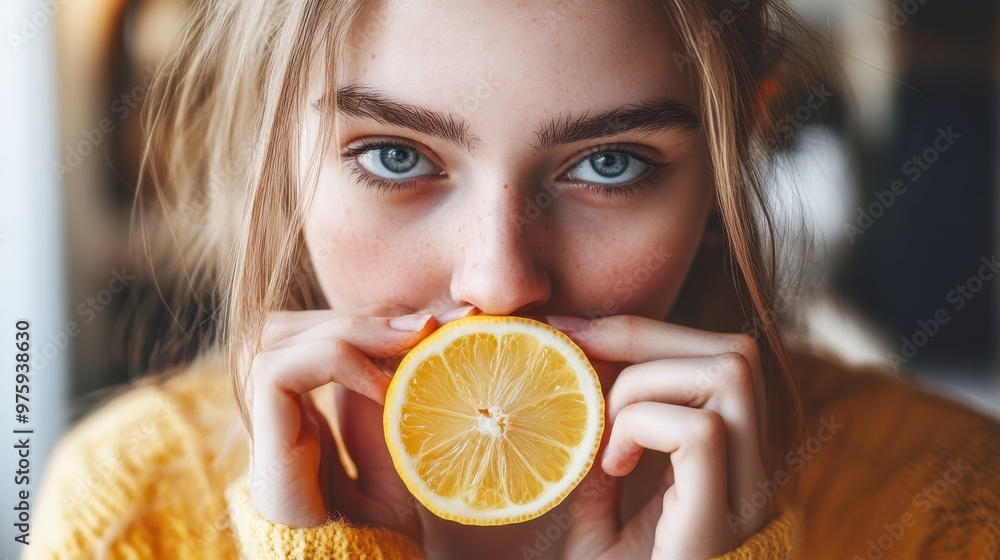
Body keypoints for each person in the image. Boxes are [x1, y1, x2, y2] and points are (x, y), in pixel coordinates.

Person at [30, 0, 1000, 558]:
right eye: (396, 156)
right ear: (280, 151)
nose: (499, 282)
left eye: (610, 163)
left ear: (729, 152)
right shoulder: (136, 504)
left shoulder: (943, 498)